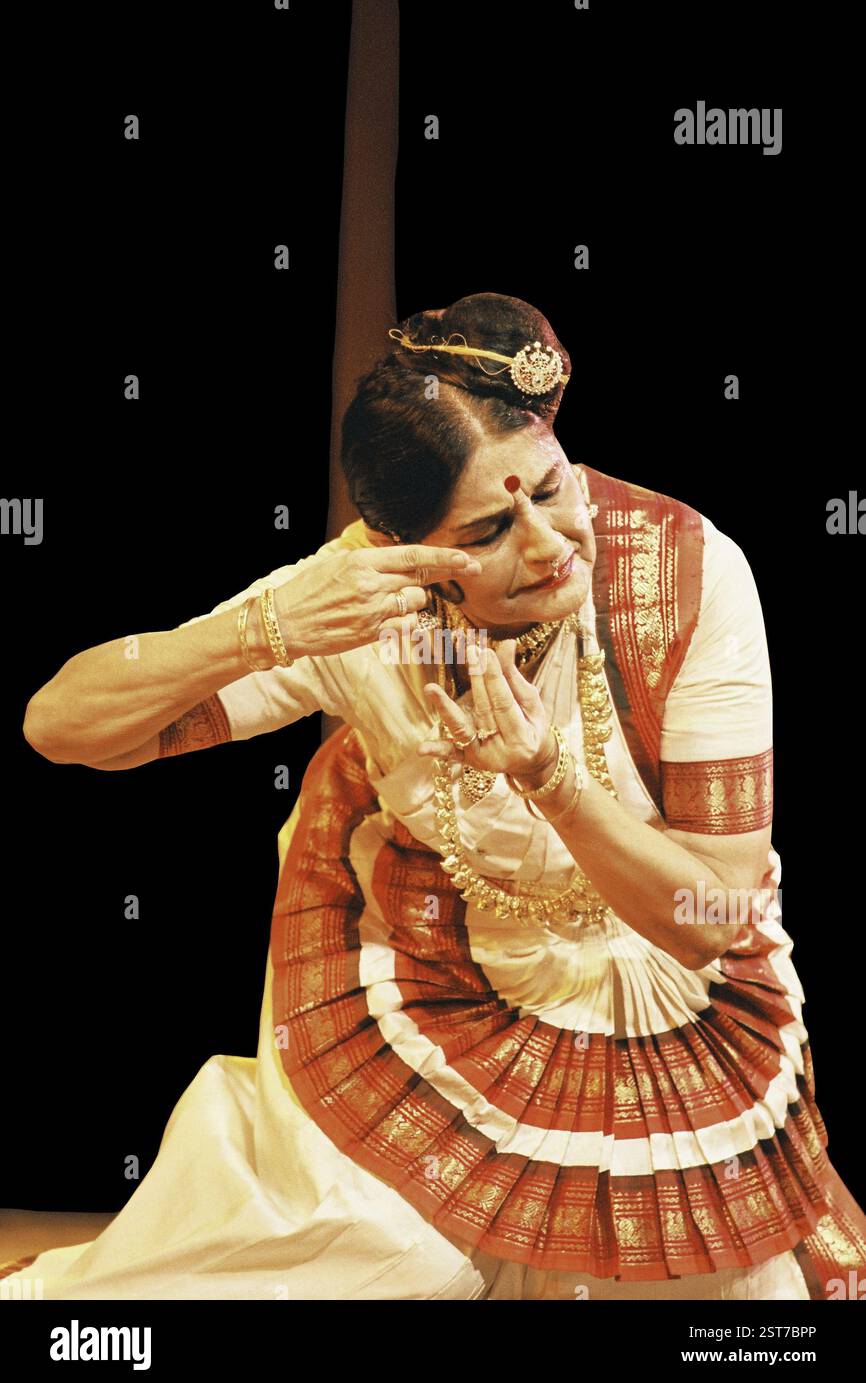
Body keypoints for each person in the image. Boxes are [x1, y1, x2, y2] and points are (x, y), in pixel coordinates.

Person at [5, 292, 865, 1301]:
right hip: (438, 979)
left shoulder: (686, 573)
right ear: (399, 544)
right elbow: (60, 727)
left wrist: (551, 782)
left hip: (660, 985)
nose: (546, 544)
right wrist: (259, 631)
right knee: (384, 1271)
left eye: (551, 487)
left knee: (732, 1301)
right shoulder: (361, 595)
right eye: (492, 528)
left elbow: (709, 918)